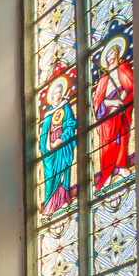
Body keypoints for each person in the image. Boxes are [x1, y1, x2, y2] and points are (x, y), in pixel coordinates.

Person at [90, 33, 134, 193]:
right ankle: (106, 174)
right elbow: (97, 101)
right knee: (106, 144)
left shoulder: (123, 68)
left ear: (118, 52)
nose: (109, 56)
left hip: (120, 109)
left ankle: (121, 166)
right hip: (107, 113)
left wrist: (120, 102)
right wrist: (111, 103)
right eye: (107, 54)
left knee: (121, 136)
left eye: (111, 52)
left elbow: (130, 86)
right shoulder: (103, 78)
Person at [37, 71, 78, 215]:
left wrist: (62, 139)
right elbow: (43, 134)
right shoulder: (48, 114)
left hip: (62, 144)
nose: (58, 95)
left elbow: (71, 124)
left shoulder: (65, 107)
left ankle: (63, 200)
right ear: (52, 95)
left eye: (60, 92)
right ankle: (51, 204)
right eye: (56, 93)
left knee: (63, 173)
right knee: (51, 177)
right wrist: (48, 146)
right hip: (51, 149)